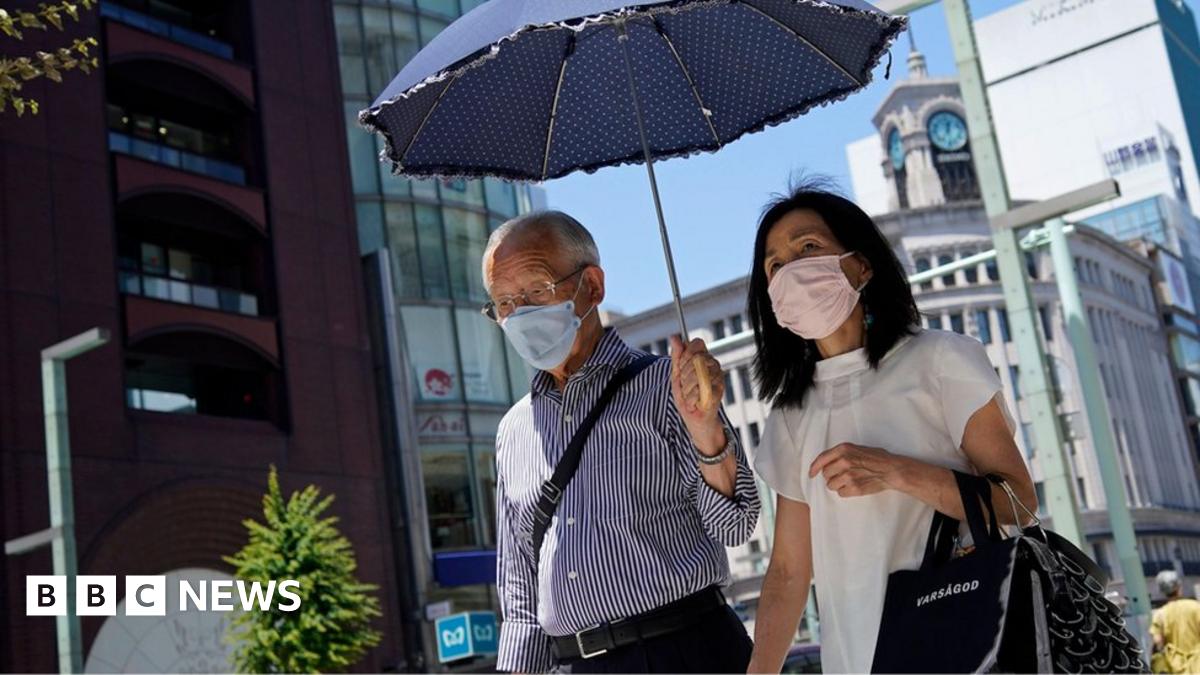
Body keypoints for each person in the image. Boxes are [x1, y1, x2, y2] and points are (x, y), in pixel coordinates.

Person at [742, 182, 1038, 674]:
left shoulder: (941, 359)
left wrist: (897, 472)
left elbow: (1019, 502)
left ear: (860, 265)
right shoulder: (790, 414)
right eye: (775, 266)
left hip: (963, 644)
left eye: (808, 248)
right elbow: (790, 571)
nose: (791, 271)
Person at [484, 211, 760, 673]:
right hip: (577, 664)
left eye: (536, 289)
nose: (521, 313)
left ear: (592, 286)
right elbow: (520, 598)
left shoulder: (666, 387)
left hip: (686, 649)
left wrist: (706, 428)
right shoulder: (513, 431)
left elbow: (736, 525)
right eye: (504, 303)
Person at [1151, 570, 1200, 674]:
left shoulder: (1160, 614)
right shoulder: (1196, 607)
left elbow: (1158, 641)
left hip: (1175, 667)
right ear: (1179, 587)